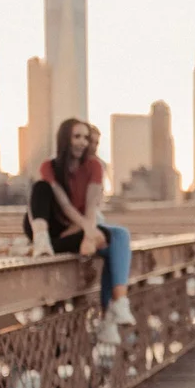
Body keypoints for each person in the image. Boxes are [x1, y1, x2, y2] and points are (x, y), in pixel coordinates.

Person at [26, 117, 136, 345]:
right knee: (40, 187)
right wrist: (89, 233)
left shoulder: (95, 166)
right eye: (78, 137)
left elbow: (91, 207)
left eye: (86, 138)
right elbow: (64, 205)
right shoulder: (49, 166)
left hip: (76, 227)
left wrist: (88, 234)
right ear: (65, 138)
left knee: (117, 239)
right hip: (51, 224)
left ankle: (115, 307)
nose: (83, 142)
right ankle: (40, 240)